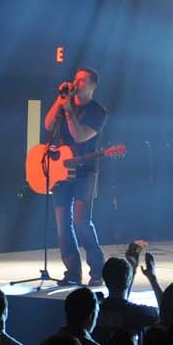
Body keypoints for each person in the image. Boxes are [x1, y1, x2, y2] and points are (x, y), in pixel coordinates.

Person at [44, 66, 110, 286]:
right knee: (63, 225)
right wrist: (61, 100)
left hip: (85, 173)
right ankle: (73, 272)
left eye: (81, 81)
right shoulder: (65, 105)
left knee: (82, 222)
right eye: (75, 79)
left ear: (92, 86)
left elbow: (80, 136)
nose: (75, 83)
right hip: (61, 171)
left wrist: (69, 111)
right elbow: (48, 124)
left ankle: (98, 270)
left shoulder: (98, 111)